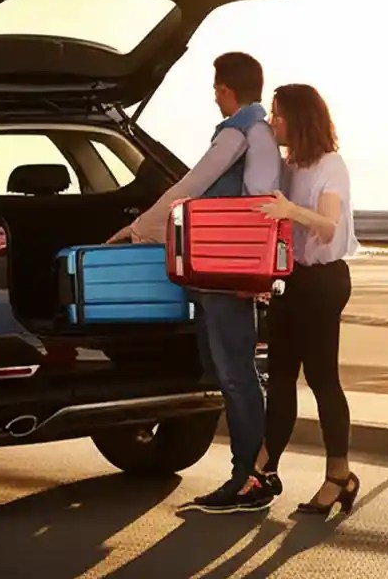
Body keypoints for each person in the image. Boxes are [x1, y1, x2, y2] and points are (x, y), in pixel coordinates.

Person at [107, 51, 282, 513]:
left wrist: (139, 227)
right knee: (230, 369)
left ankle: (249, 478)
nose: (214, 96)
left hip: (224, 271)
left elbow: (191, 186)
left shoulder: (237, 132)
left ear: (224, 90)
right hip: (232, 268)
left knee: (236, 374)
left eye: (215, 88)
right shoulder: (260, 132)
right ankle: (255, 473)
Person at [253, 83, 360, 517]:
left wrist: (289, 211)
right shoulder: (287, 165)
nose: (272, 122)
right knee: (278, 378)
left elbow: (328, 226)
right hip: (293, 281)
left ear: (298, 118)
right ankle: (263, 469)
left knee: (321, 380)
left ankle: (339, 476)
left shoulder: (330, 166)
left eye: (278, 115)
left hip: (325, 282)